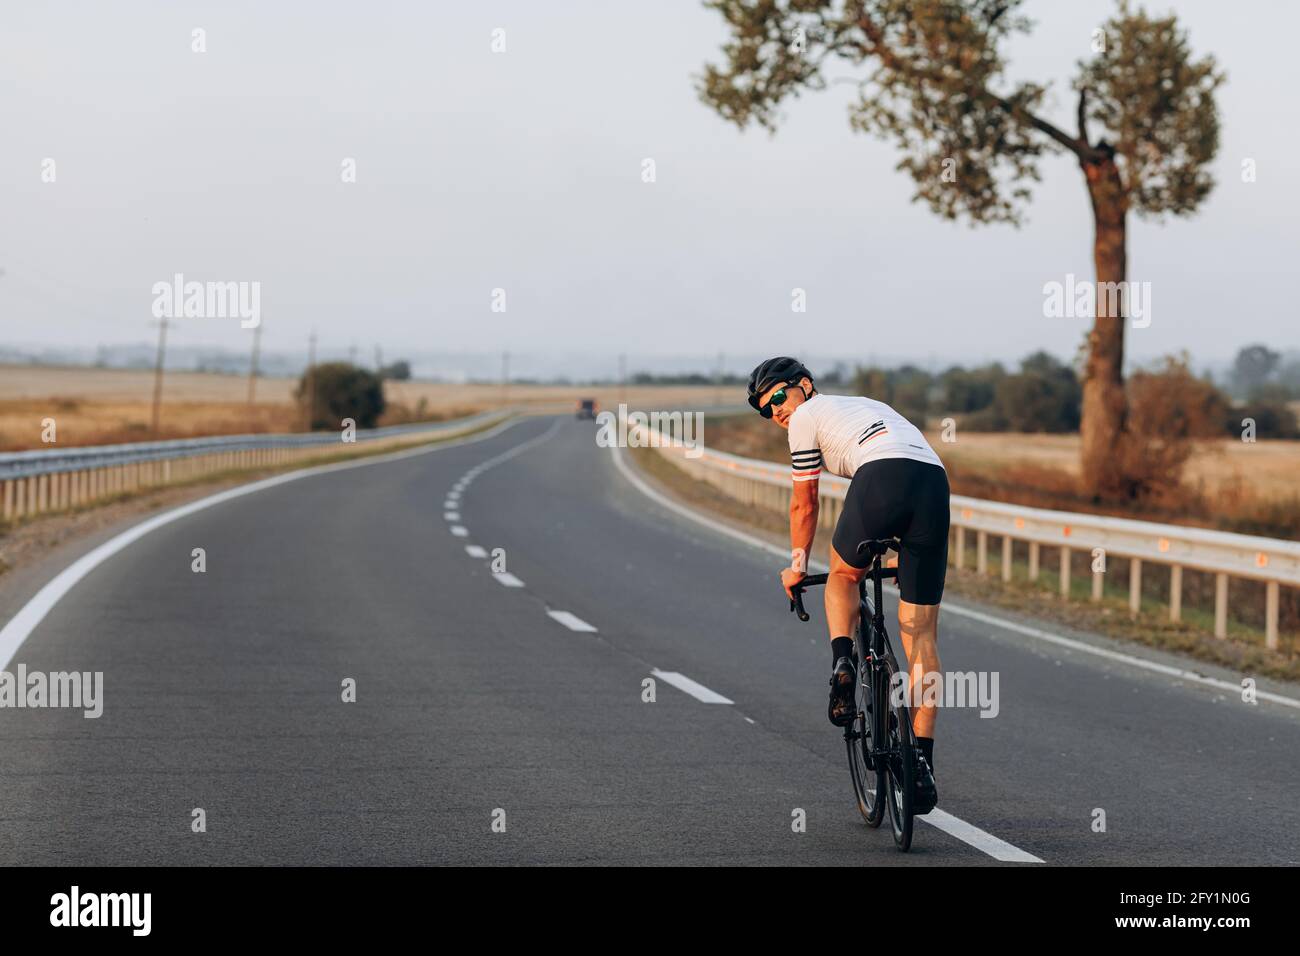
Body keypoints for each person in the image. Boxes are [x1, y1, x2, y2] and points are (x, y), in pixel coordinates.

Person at [747, 356, 947, 813]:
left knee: (842, 575)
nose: (776, 411)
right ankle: (921, 761)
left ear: (804, 386)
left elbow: (804, 502)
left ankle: (843, 666)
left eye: (779, 397)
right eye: (766, 410)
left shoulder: (807, 417)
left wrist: (797, 566)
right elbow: (901, 459)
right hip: (933, 482)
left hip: (880, 476)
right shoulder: (863, 404)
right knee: (919, 633)